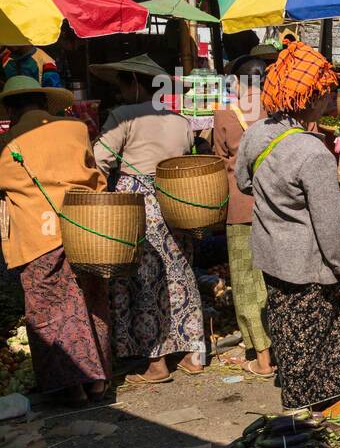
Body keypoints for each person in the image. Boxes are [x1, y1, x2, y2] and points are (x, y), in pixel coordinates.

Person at [235, 42, 340, 410]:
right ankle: (322, 417)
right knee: (322, 349)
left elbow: (244, 183)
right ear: (312, 98)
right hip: (310, 267)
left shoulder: (256, 134)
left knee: (290, 340)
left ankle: (297, 408)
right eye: (326, 93)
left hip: (273, 259)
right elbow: (329, 225)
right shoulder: (312, 153)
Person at [91, 55, 205, 384]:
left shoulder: (123, 116)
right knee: (180, 277)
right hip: (178, 201)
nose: (121, 92)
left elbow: (99, 160)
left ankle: (156, 364)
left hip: (140, 207)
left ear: (136, 83)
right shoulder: (180, 120)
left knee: (145, 282)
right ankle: (191, 355)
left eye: (124, 85)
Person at [0, 77, 112, 403]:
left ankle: (71, 386)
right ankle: (98, 381)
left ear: (10, 107)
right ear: (44, 102)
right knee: (91, 302)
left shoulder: (9, 142)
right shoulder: (75, 129)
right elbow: (93, 171)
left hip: (39, 233)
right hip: (87, 226)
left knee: (49, 308)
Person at [211, 55, 274, 377]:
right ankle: (277, 344)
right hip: (279, 204)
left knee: (247, 281)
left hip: (241, 205)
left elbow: (219, 159)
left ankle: (262, 357)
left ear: (236, 83)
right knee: (275, 277)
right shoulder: (278, 109)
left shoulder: (225, 114)